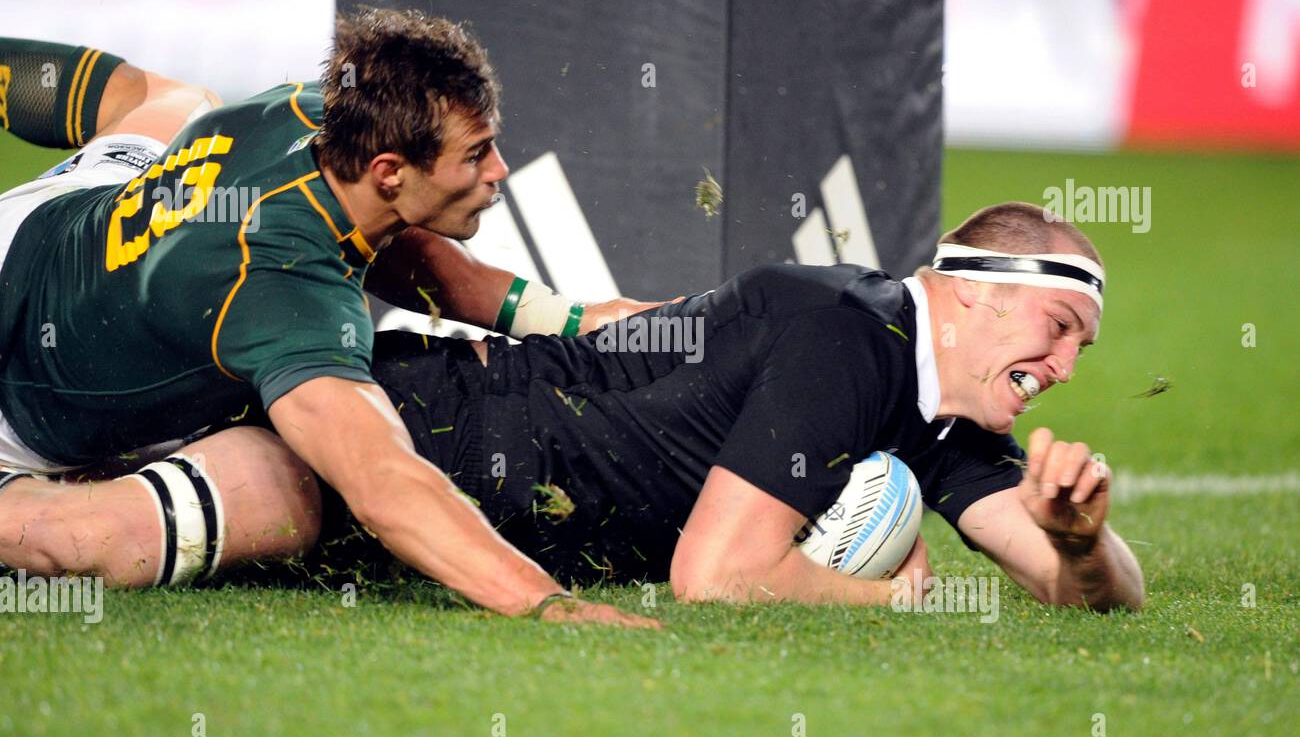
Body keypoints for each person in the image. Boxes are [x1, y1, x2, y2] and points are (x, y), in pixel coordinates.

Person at [0, 12, 657, 627]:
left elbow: (389, 233)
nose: (499, 172)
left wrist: (565, 317)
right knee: (90, 539)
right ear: (389, 170)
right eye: (476, 154)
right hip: (12, 405)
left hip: (48, 219)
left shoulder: (317, 113)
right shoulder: (283, 290)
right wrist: (543, 603)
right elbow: (383, 482)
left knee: (165, 99)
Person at [307, 202, 1147, 611]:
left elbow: (1102, 597)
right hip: (416, 427)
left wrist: (1081, 543)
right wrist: (900, 601)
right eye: (1062, 327)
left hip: (452, 498)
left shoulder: (940, 407)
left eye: (1084, 348)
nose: (1067, 367)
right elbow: (715, 579)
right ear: (973, 292)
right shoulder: (847, 336)